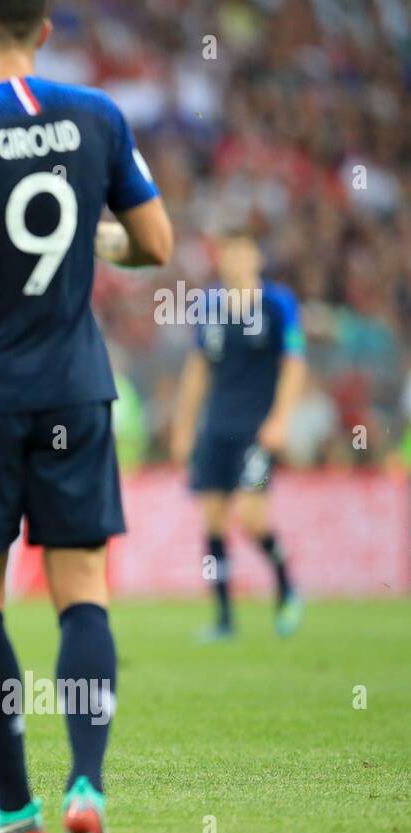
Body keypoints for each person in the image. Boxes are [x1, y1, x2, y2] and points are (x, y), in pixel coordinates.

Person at [0, 0, 173, 833]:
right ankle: (87, 783)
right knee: (82, 588)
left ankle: (14, 810)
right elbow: (155, 242)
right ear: (44, 31)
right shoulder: (99, 116)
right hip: (76, 389)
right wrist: (91, 233)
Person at [170, 231, 307, 641]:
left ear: (257, 257)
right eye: (229, 253)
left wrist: (281, 419)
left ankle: (286, 585)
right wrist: (183, 426)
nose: (236, 260)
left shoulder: (278, 303)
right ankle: (224, 618)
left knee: (250, 516)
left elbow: (295, 364)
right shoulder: (207, 305)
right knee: (212, 519)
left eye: (244, 252)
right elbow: (197, 370)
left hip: (258, 432)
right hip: (216, 428)